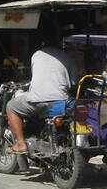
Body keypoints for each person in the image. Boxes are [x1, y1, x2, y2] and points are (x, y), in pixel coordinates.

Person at [6, 26, 77, 154]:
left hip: (39, 101)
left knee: (11, 107)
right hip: (62, 101)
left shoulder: (36, 55)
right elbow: (74, 82)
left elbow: (38, 77)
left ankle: (21, 144)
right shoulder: (66, 57)